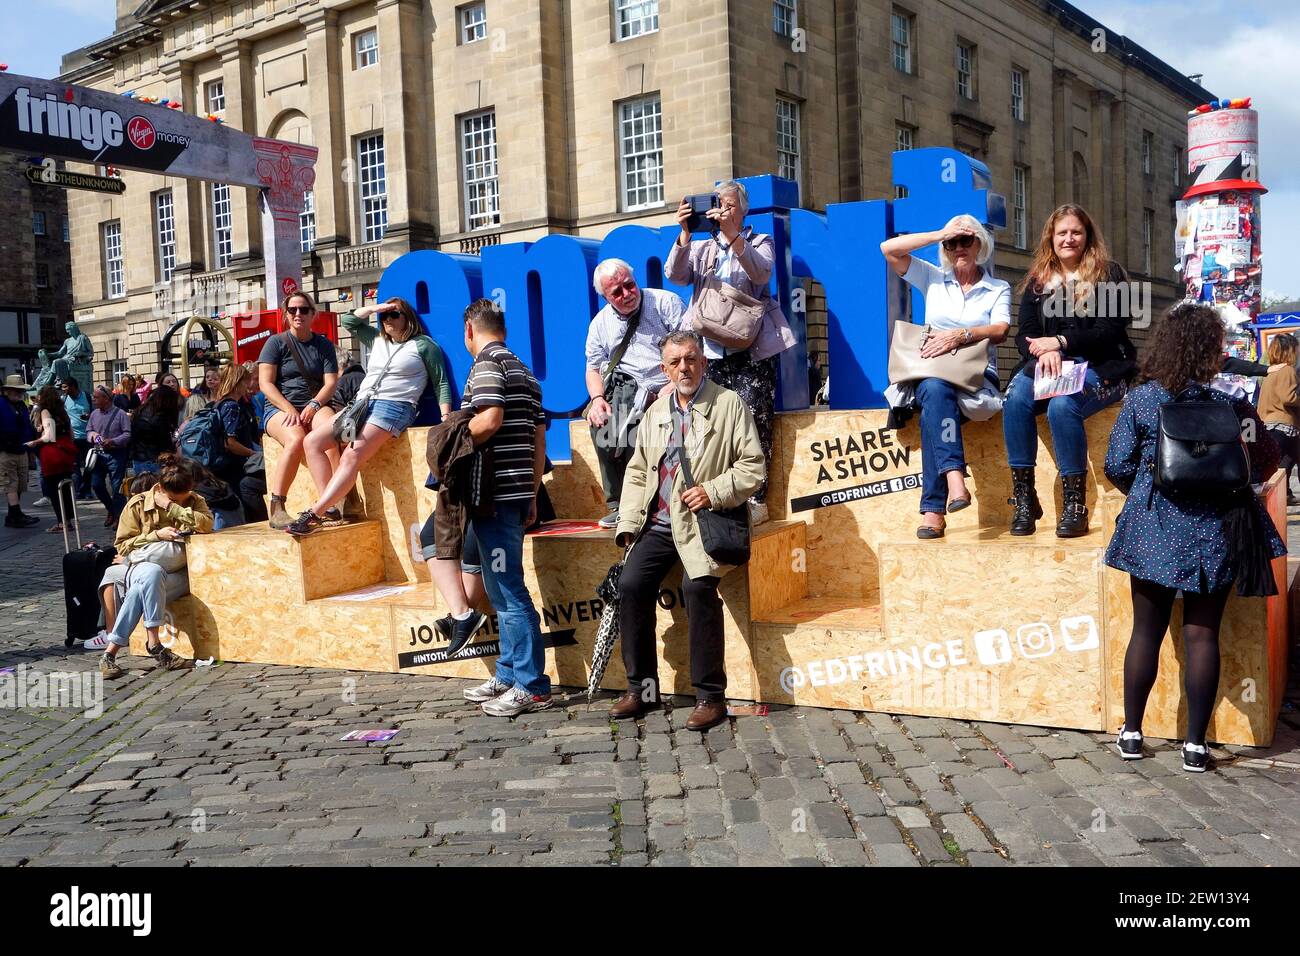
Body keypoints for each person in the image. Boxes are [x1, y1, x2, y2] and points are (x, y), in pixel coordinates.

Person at [1104, 303, 1284, 772]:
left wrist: (1148, 486)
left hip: (1155, 528)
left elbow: (1117, 464)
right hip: (1219, 528)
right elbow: (1265, 460)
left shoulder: (1142, 400)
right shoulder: (1232, 403)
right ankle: (1196, 745)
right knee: (1202, 634)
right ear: (1211, 350)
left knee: (1146, 631)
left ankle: (1131, 732)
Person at [608, 330, 764, 731]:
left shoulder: (728, 405)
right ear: (664, 369)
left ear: (704, 363)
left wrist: (713, 492)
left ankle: (710, 697)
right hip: (658, 525)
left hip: (705, 523)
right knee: (630, 585)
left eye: (691, 359)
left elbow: (752, 468)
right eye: (675, 362)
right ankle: (641, 690)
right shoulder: (656, 412)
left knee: (698, 589)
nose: (684, 368)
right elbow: (638, 470)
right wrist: (627, 525)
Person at [667, 180, 797, 526]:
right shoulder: (702, 247)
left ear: (742, 210)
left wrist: (732, 237)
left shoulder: (759, 241)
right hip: (710, 351)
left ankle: (755, 499)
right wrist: (684, 233)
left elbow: (761, 272)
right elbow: (676, 275)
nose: (721, 209)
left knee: (755, 422)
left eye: (727, 204)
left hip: (752, 349)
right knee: (710, 425)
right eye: (715, 203)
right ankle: (717, 495)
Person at [1003, 204, 1138, 537]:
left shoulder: (1109, 274)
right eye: (1061, 232)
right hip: (1051, 366)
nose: (1069, 239)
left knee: (1063, 404)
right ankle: (1024, 497)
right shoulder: (1038, 281)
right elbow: (1025, 332)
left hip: (1102, 366)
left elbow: (1111, 330)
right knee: (1015, 395)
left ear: (1087, 235)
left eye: (1076, 232)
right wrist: (1039, 351)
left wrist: (1060, 342)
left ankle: (1075, 504)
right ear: (1051, 237)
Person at [880, 215, 1011, 539]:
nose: (958, 248)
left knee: (932, 411)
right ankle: (955, 480)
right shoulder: (934, 278)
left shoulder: (997, 287)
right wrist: (940, 232)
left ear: (980, 243)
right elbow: (889, 249)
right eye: (952, 243)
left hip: (976, 375)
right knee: (936, 391)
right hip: (934, 372)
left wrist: (962, 335)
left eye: (966, 240)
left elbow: (1000, 330)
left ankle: (933, 509)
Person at [454, 299, 552, 717]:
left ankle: (532, 686)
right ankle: (510, 673)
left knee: (509, 593)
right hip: (512, 496)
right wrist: (531, 493)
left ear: (469, 330)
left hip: (492, 497)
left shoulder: (486, 365)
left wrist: (452, 441)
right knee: (499, 588)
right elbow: (539, 441)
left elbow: (490, 419)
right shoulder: (524, 372)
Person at [285, 298, 453, 536]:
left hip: (394, 406)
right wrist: (376, 308)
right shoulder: (377, 339)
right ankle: (329, 507)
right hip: (361, 404)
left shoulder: (424, 345)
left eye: (394, 315)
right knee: (312, 442)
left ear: (408, 318)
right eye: (385, 317)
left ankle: (314, 513)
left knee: (351, 456)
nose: (387, 320)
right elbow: (349, 320)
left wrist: (445, 416)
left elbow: (441, 382)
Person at [84, 455, 213, 679]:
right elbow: (122, 546)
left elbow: (206, 524)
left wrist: (172, 507)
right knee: (150, 572)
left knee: (142, 581)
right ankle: (154, 643)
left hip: (180, 573)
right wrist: (156, 535)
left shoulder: (192, 499)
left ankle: (110, 654)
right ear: (161, 489)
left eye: (183, 500)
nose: (183, 503)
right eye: (175, 499)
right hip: (148, 571)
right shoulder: (137, 504)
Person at [584, 258, 686, 529]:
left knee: (651, 430)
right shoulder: (599, 325)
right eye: (616, 292)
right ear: (606, 297)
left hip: (672, 383)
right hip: (628, 390)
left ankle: (653, 504)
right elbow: (592, 368)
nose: (627, 294)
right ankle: (619, 504)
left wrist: (674, 385)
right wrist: (596, 400)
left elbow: (691, 349)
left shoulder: (665, 303)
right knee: (603, 423)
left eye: (629, 285)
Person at [258, 291, 340, 528]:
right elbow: (266, 384)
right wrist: (288, 408)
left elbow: (331, 382)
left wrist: (315, 404)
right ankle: (277, 505)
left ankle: (332, 502)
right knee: (296, 440)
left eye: (303, 309)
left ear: (312, 314)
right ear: (286, 315)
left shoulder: (323, 344)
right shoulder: (275, 343)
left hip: (314, 404)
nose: (298, 314)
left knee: (332, 434)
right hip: (279, 407)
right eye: (292, 310)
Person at [25, 386, 77, 534]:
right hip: (66, 451)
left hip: (52, 453)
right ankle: (69, 521)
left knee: (54, 490)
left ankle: (62, 523)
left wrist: (34, 442)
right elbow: (71, 435)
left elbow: (49, 436)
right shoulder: (63, 413)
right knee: (66, 487)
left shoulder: (45, 411)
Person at [1256, 333, 1300, 507]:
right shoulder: (1287, 370)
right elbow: (1288, 397)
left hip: (1270, 423)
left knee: (1283, 463)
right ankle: (1275, 496)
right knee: (1284, 464)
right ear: (1290, 350)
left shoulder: (1271, 370)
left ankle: (1283, 495)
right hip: (1284, 425)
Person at [209, 364, 259, 503]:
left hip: (221, 466)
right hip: (232, 467)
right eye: (245, 381)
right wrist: (253, 453)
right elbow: (230, 443)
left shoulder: (219, 403)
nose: (248, 385)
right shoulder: (232, 406)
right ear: (237, 382)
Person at [87, 385, 131, 526]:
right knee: (96, 484)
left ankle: (120, 517)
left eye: (96, 397)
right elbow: (89, 431)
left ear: (106, 398)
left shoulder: (121, 414)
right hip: (99, 454)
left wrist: (113, 441)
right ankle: (111, 509)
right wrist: (94, 437)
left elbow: (127, 434)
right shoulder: (94, 414)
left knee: (117, 487)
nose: (93, 400)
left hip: (116, 454)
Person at [1, 373, 39, 528]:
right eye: (16, 390)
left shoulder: (22, 405)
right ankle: (15, 515)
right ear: (7, 390)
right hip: (5, 451)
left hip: (22, 449)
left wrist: (30, 451)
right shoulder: (1, 404)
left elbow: (26, 427)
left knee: (20, 484)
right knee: (10, 483)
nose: (19, 393)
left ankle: (13, 514)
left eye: (20, 391)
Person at [129, 384, 181, 475]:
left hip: (138, 459)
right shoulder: (159, 417)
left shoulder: (139, 412)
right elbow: (164, 443)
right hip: (154, 460)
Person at [61, 376, 92, 500]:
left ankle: (87, 490)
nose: (63, 389)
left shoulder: (87, 397)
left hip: (87, 437)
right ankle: (80, 491)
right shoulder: (63, 399)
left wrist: (89, 415)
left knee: (89, 465)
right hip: (72, 438)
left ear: (73, 387)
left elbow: (95, 413)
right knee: (74, 467)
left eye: (65, 387)